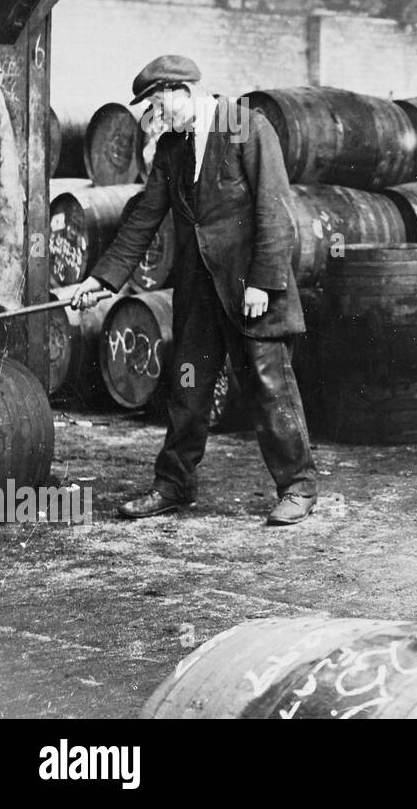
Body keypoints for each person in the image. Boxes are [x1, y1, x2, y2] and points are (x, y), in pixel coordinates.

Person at [69, 55, 319, 523]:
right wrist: (100, 280)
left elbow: (275, 208)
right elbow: (143, 216)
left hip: (250, 287)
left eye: (158, 105)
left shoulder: (245, 125)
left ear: (182, 92)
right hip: (198, 291)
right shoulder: (171, 148)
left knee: (270, 386)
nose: (155, 117)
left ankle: (299, 487)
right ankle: (174, 484)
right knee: (187, 387)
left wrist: (265, 281)